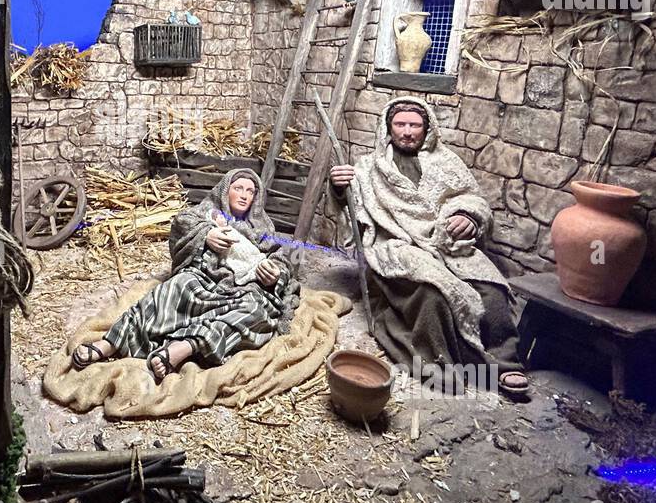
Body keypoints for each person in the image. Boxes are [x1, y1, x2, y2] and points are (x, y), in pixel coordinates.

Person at [328, 96, 529, 399]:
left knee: (492, 289)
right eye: (400, 124)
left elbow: (471, 199)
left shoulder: (446, 161)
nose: (407, 131)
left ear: (427, 128)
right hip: (397, 245)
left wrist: (467, 217)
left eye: (415, 125)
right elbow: (353, 214)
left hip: (445, 242)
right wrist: (339, 188)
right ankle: (441, 362)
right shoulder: (369, 168)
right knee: (433, 294)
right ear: (388, 127)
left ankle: (504, 362)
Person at [72, 168, 302, 382]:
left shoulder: (263, 228)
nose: (244, 195)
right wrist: (206, 236)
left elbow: (282, 259)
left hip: (243, 289)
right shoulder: (204, 213)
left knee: (255, 313)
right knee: (171, 289)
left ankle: (183, 348)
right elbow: (182, 227)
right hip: (205, 277)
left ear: (256, 198)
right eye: (238, 188)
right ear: (225, 190)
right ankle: (110, 343)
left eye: (250, 191)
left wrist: (274, 274)